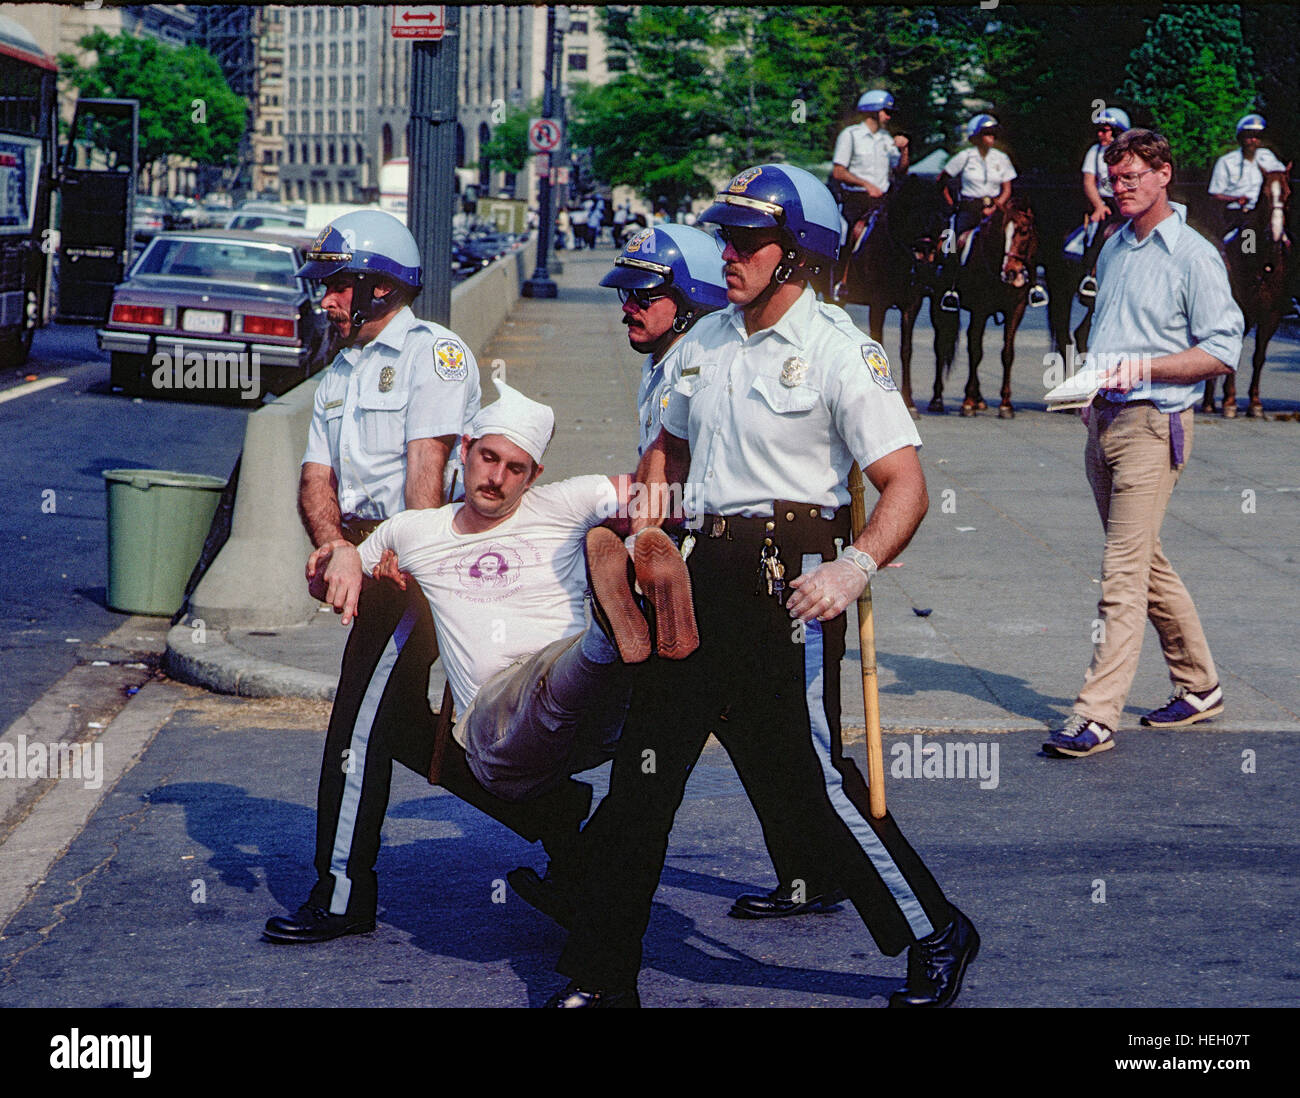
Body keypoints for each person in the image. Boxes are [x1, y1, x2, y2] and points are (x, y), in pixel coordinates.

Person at [545, 162, 979, 1008]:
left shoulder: (839, 351)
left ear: (795, 256)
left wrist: (856, 569)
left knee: (810, 783)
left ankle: (936, 930)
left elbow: (905, 486)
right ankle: (602, 980)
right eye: (724, 238)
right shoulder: (704, 343)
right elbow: (666, 452)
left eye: (746, 241)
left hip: (796, 579)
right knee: (641, 778)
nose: (727, 254)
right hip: (699, 579)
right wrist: (646, 521)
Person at [263, 379, 699, 943]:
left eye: (515, 468)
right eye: (488, 457)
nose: (496, 477)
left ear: (535, 475)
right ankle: (611, 635)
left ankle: (620, 629)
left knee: (597, 674)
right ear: (465, 450)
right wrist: (343, 557)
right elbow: (328, 582)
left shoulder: (563, 502)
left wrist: (661, 484)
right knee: (558, 676)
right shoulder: (413, 532)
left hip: (597, 717)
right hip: (500, 729)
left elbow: (659, 494)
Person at [1042, 129, 1243, 760]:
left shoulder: (1194, 256)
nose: (1120, 188)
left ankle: (1096, 715)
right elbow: (1107, 331)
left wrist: (1145, 370)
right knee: (1145, 560)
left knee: (1120, 574)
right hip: (1103, 421)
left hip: (1154, 427)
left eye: (1131, 177)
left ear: (1163, 175)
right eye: (1113, 178)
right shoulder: (1113, 246)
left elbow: (1220, 352)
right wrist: (1090, 394)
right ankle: (1200, 685)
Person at [297, 210, 481, 550]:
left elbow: (428, 468)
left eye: (340, 287)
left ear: (380, 288)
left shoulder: (430, 352)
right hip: (356, 547)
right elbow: (316, 476)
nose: (326, 302)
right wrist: (335, 550)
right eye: (326, 289)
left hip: (416, 548)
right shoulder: (341, 370)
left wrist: (408, 556)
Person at [599, 223, 730, 457]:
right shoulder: (659, 364)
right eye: (627, 293)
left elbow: (672, 485)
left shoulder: (699, 380)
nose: (627, 307)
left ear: (691, 304)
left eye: (644, 296)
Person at [938, 113, 1023, 312]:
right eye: (986, 133)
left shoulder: (1001, 158)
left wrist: (997, 206)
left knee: (1016, 238)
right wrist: (952, 204)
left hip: (995, 209)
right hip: (969, 208)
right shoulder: (965, 157)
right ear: (976, 137)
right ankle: (951, 287)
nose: (991, 137)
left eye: (994, 133)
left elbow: (1007, 188)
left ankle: (1026, 284)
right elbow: (942, 180)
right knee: (954, 242)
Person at [831, 88, 909, 298]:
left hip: (882, 201)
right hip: (856, 199)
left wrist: (904, 150)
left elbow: (900, 169)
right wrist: (866, 184)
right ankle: (841, 281)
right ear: (873, 111)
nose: (889, 116)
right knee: (850, 232)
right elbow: (839, 171)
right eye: (886, 111)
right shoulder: (851, 135)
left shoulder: (886, 139)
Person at [1075, 106, 1132, 300]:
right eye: (1098, 130)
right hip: (1105, 202)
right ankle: (1090, 276)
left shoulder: (1130, 153)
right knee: (1099, 232)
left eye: (1104, 130)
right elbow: (1089, 181)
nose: (1100, 134)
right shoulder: (1096, 151)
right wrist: (1098, 205)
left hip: (1127, 199)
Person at [1209, 113, 1288, 238]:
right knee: (1249, 234)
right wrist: (1236, 198)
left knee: (1284, 237)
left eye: (1257, 137)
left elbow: (1280, 177)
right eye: (1249, 136)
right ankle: (1247, 254)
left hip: (1266, 211)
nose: (1253, 140)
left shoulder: (1267, 156)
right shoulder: (1227, 161)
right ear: (1241, 138)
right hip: (1238, 212)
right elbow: (1215, 194)